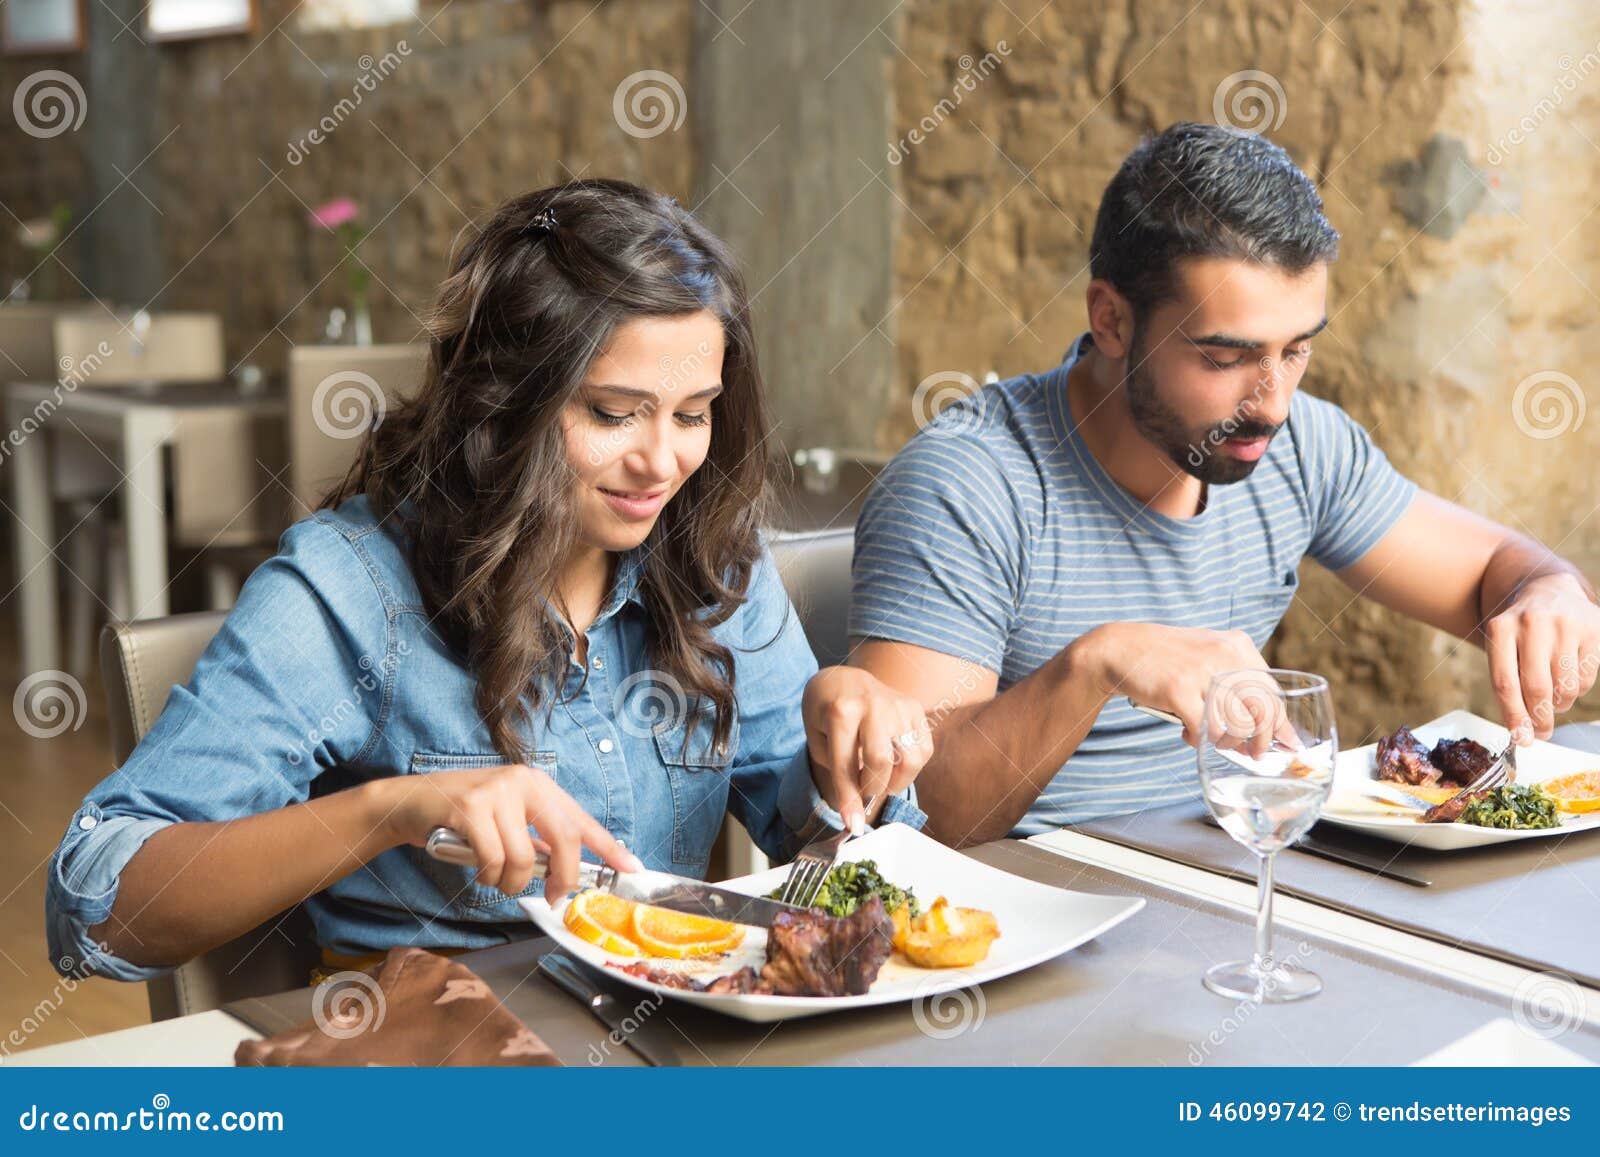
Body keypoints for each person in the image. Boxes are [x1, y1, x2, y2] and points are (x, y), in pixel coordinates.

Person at [47, 179, 932, 982]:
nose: (662, 462)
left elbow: (816, 867)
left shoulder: (710, 566)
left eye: (694, 414)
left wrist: (847, 763)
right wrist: (391, 810)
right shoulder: (350, 589)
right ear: (503, 400)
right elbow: (95, 898)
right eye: (613, 412)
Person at [848, 122, 1600, 845]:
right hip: (1029, 932)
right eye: (1224, 356)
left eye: (1296, 349)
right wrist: (1099, 663)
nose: (1271, 400)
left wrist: (1549, 590)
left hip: (1235, 889)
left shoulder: (1301, 442)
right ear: (1110, 320)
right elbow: (914, 814)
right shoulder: (970, 481)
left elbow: (1498, 573)